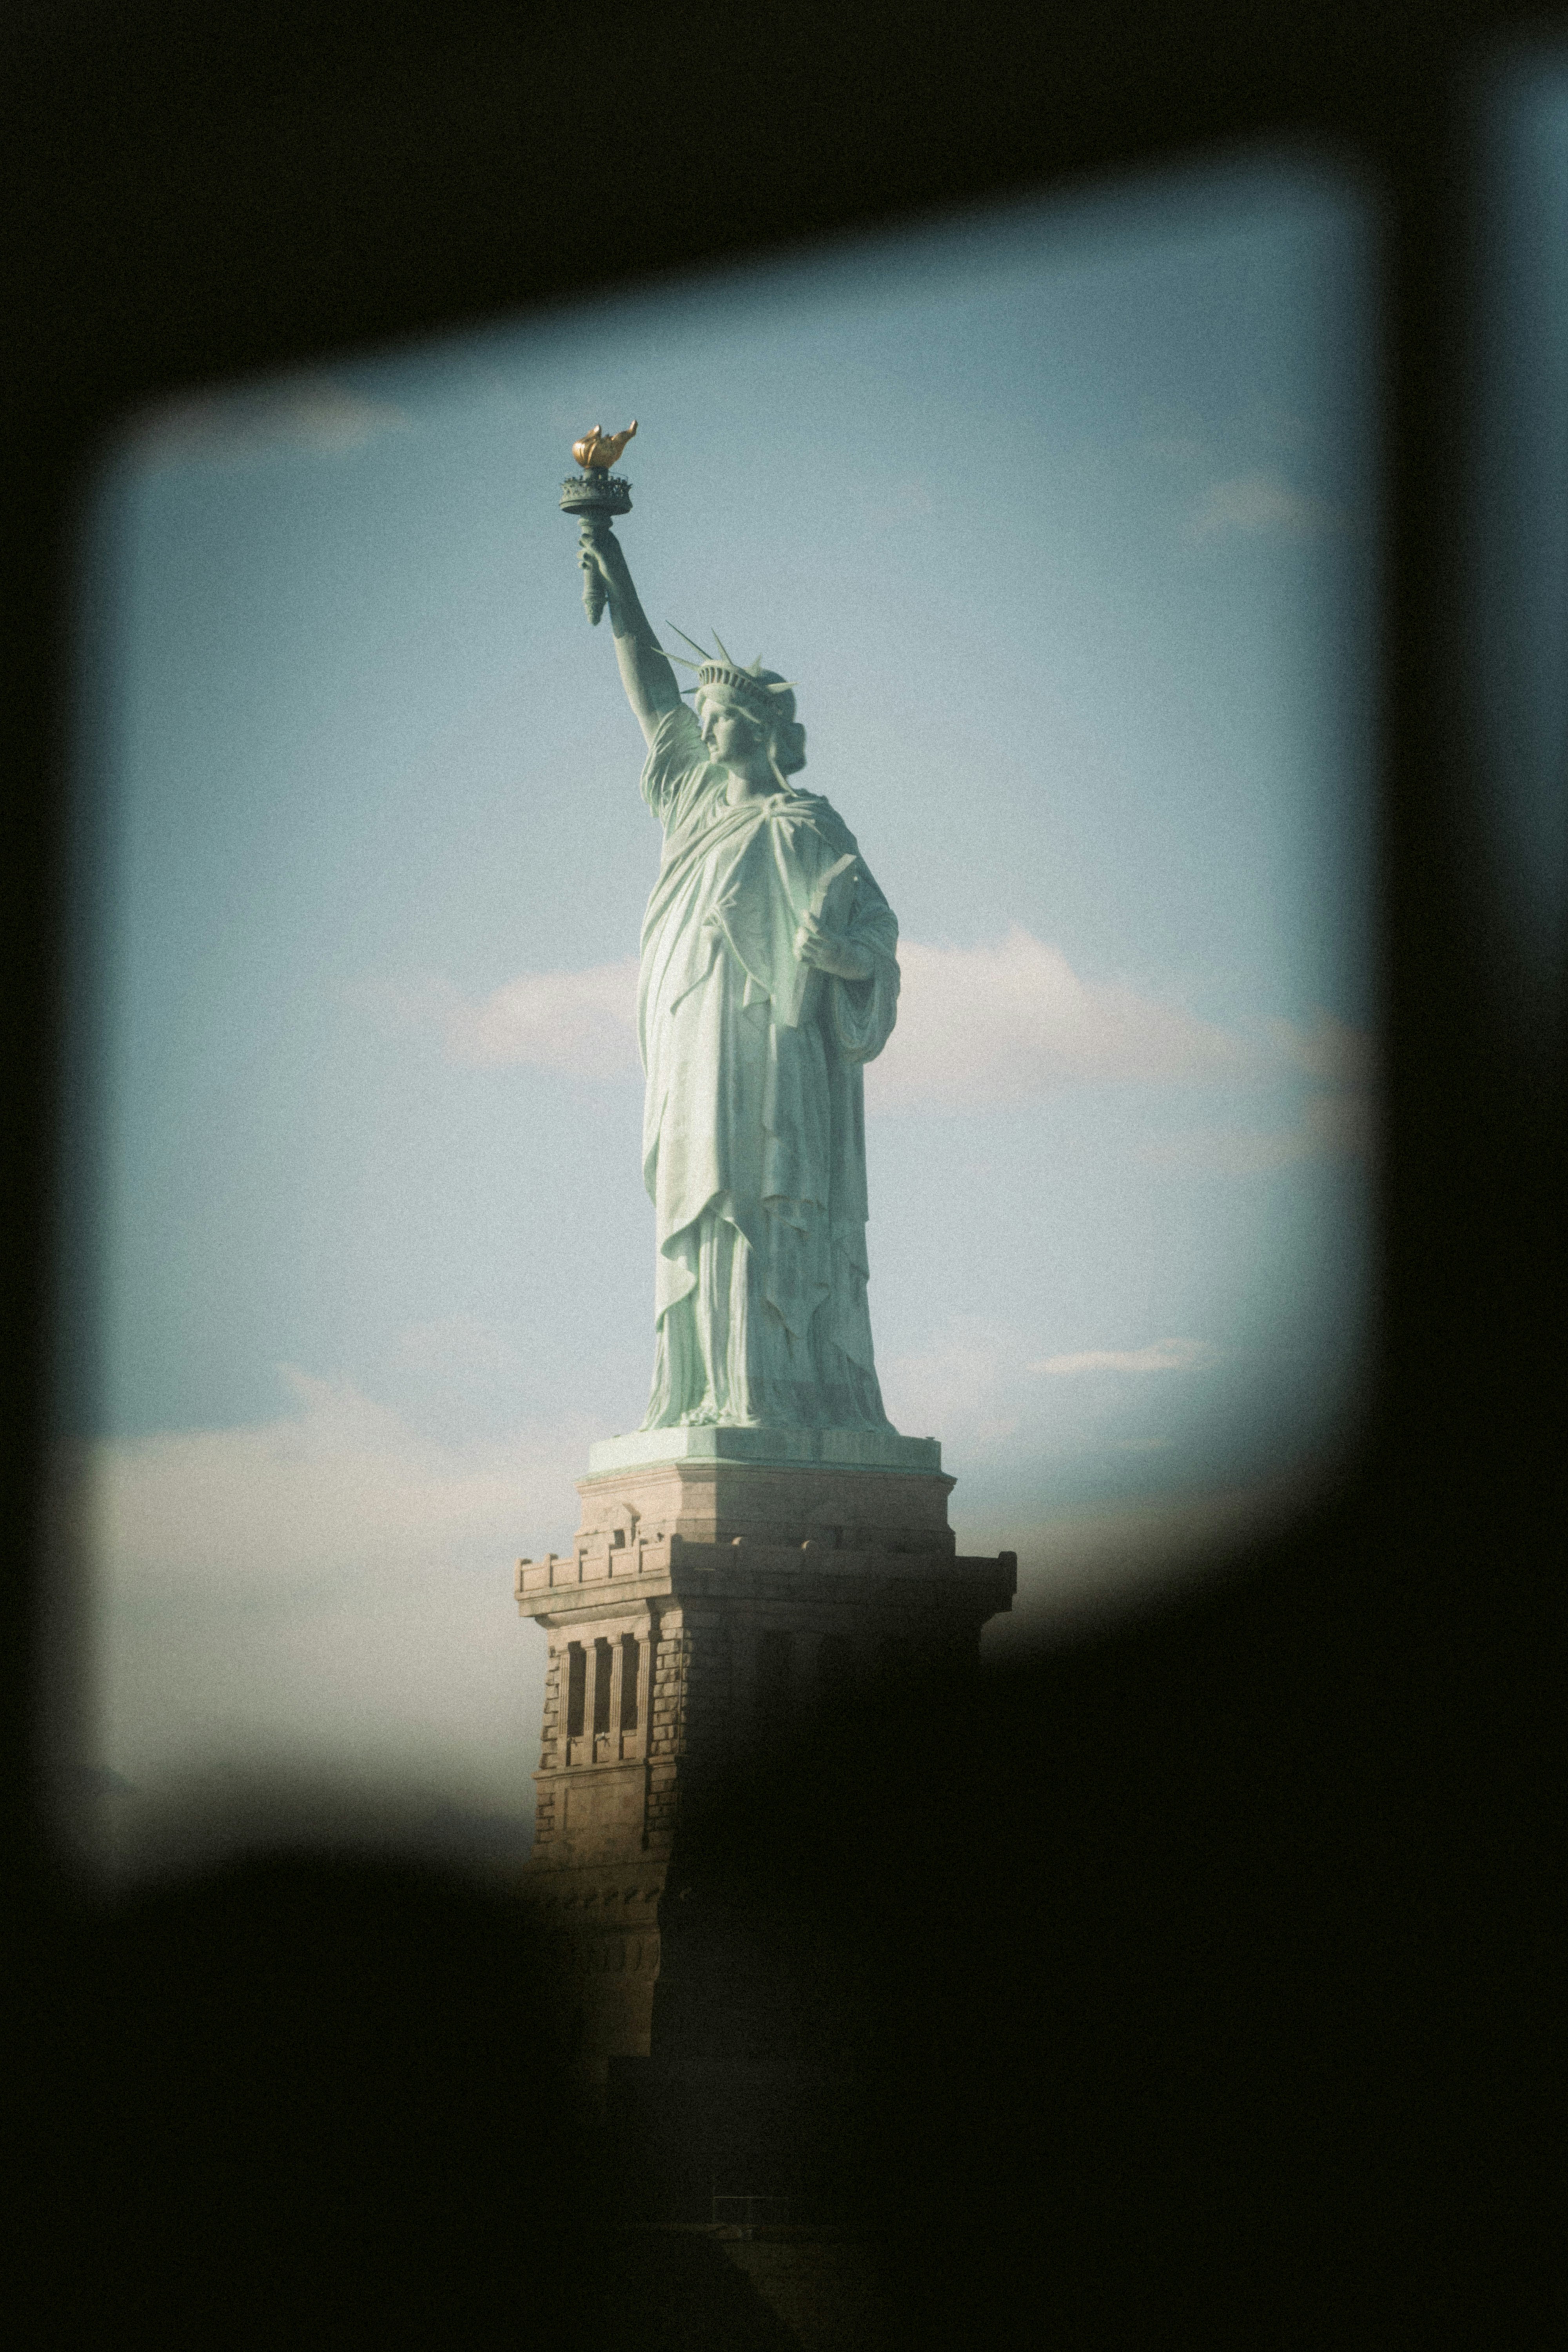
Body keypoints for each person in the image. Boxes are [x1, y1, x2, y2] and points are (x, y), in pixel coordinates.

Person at [577, 520, 900, 1432]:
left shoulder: (811, 825)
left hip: (781, 1038)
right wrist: (615, 572)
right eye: (704, 714)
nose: (701, 723)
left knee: (771, 1192)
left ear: (755, 729)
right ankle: (709, 1388)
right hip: (695, 1025)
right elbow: (649, 693)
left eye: (717, 714)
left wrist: (846, 961)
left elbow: (875, 929)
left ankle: (790, 1386)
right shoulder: (688, 801)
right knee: (707, 1187)